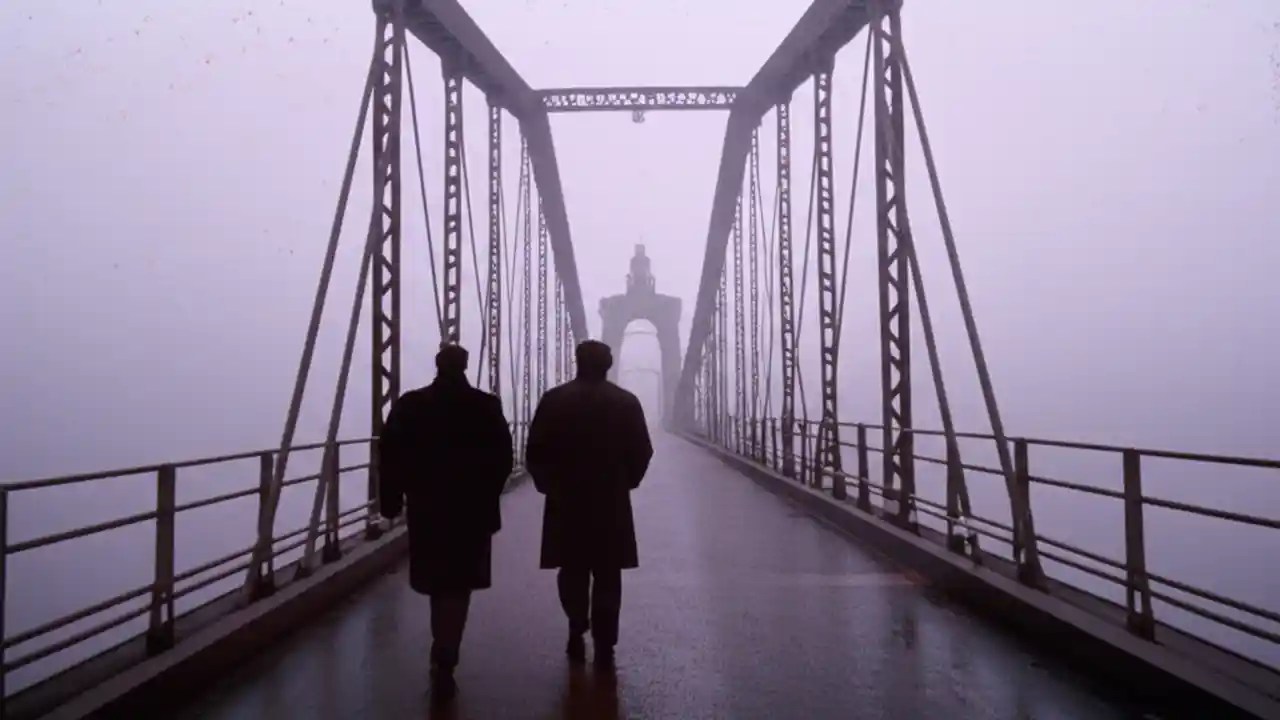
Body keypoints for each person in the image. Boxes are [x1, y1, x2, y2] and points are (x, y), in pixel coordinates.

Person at [378, 344, 513, 701]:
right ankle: (446, 656)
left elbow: (390, 454)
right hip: (472, 513)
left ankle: (442, 647)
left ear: (437, 366)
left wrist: (391, 501)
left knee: (437, 580)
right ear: (465, 366)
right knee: (459, 585)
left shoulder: (410, 405)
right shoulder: (486, 406)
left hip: (428, 510)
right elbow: (503, 459)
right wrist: (488, 496)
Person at [526, 339, 653, 668]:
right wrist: (628, 481)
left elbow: (535, 450)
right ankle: (605, 643)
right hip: (610, 502)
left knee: (571, 568)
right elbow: (643, 451)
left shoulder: (554, 401)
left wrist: (548, 485)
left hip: (565, 500)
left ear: (577, 361)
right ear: (608, 365)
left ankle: (575, 624)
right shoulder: (626, 402)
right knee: (609, 573)